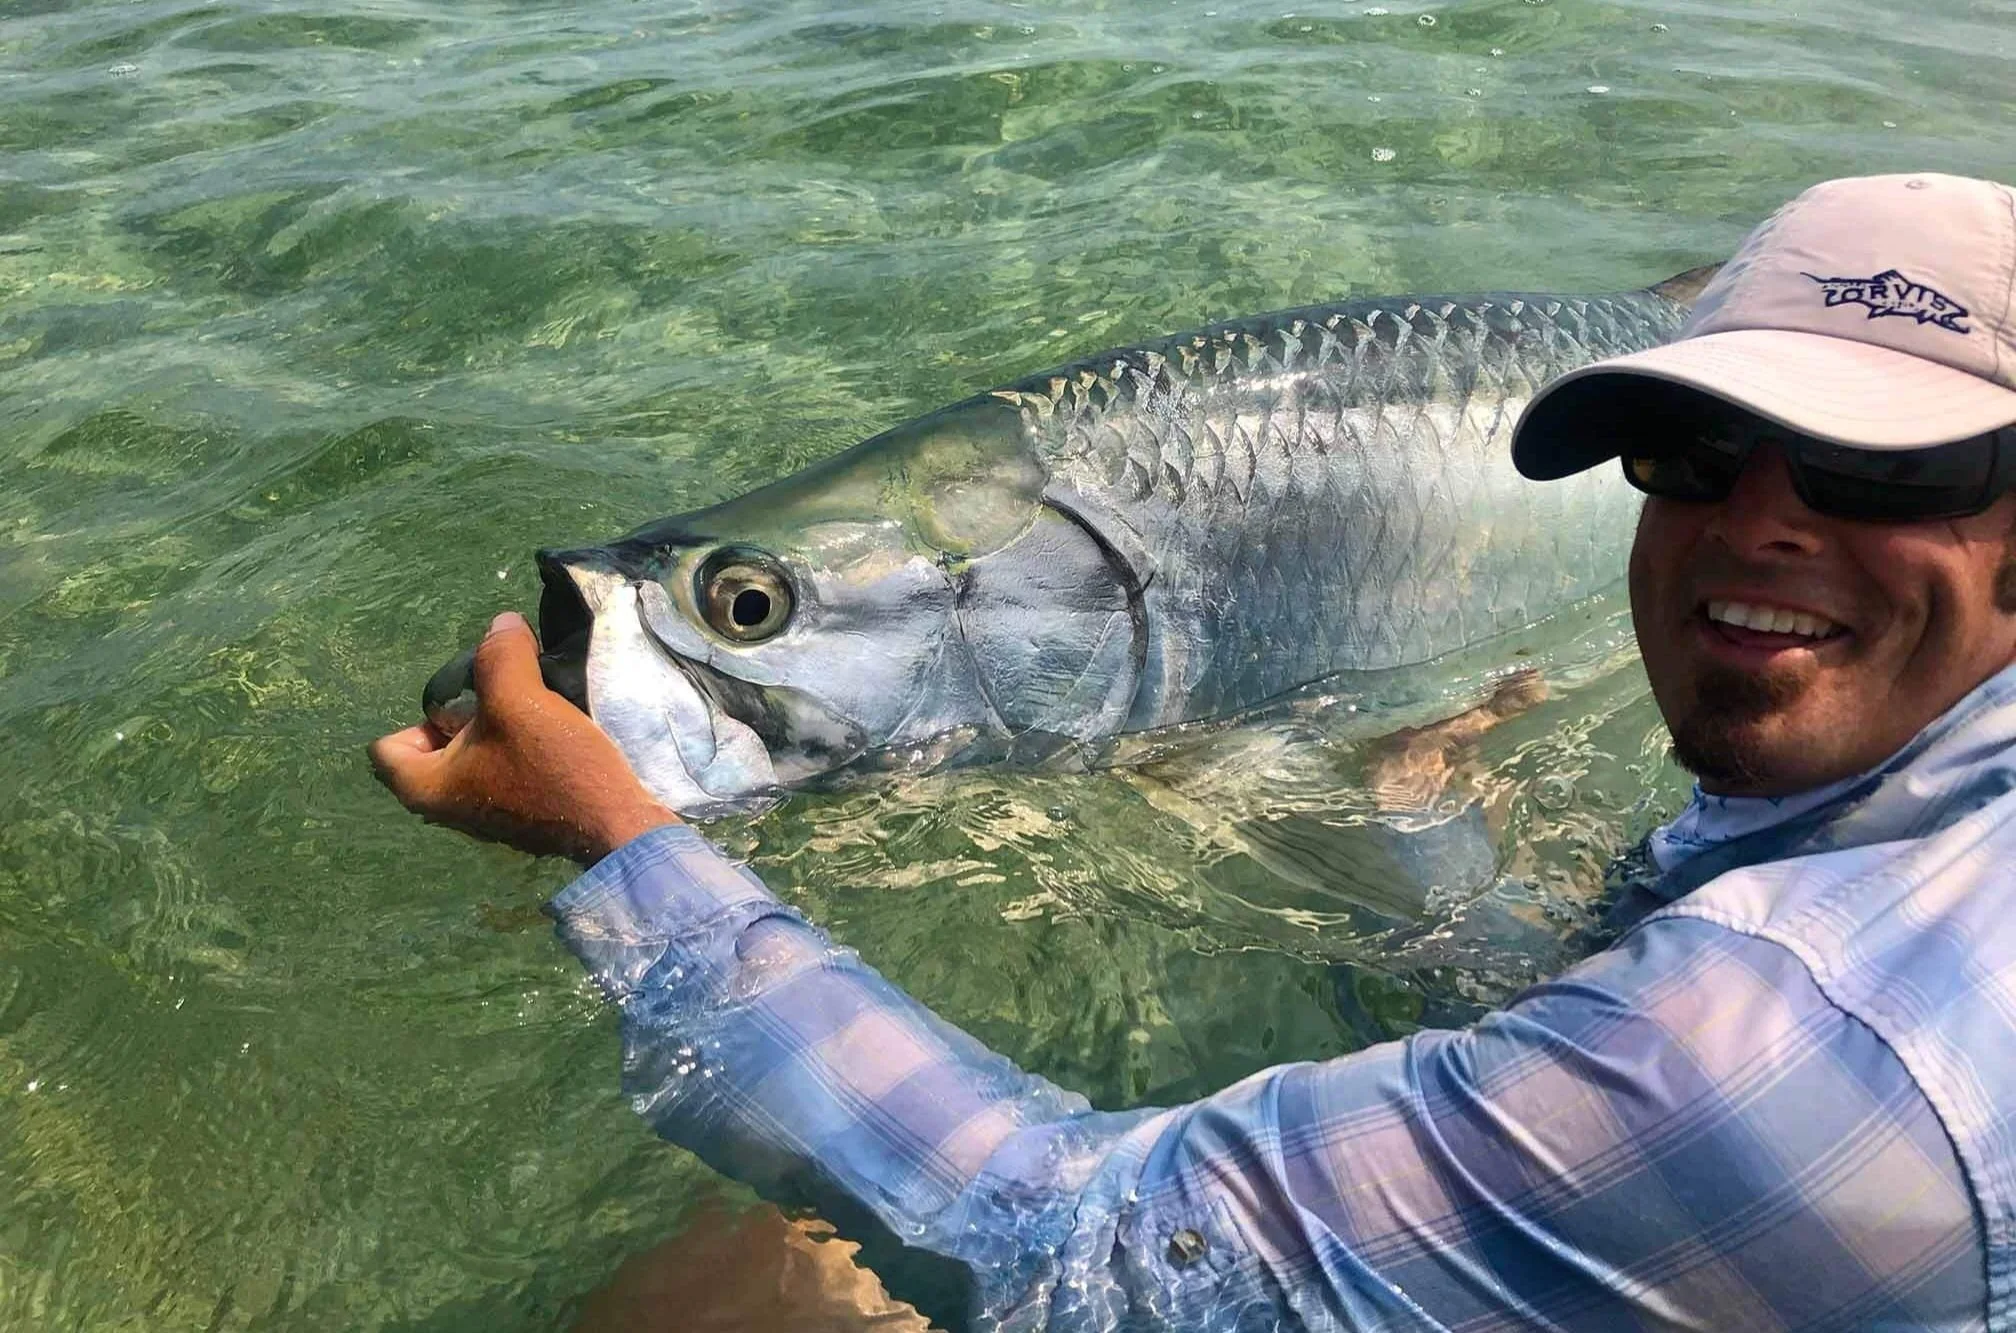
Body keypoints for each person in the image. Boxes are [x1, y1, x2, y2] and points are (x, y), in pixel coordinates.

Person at [371, 172, 2016, 1331]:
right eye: (1693, 451)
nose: (1757, 527)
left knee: (729, 1296)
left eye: (1883, 476)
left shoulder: (1802, 1056)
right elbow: (1603, 1041)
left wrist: (625, 850)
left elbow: (1087, 1260)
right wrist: (1411, 817)